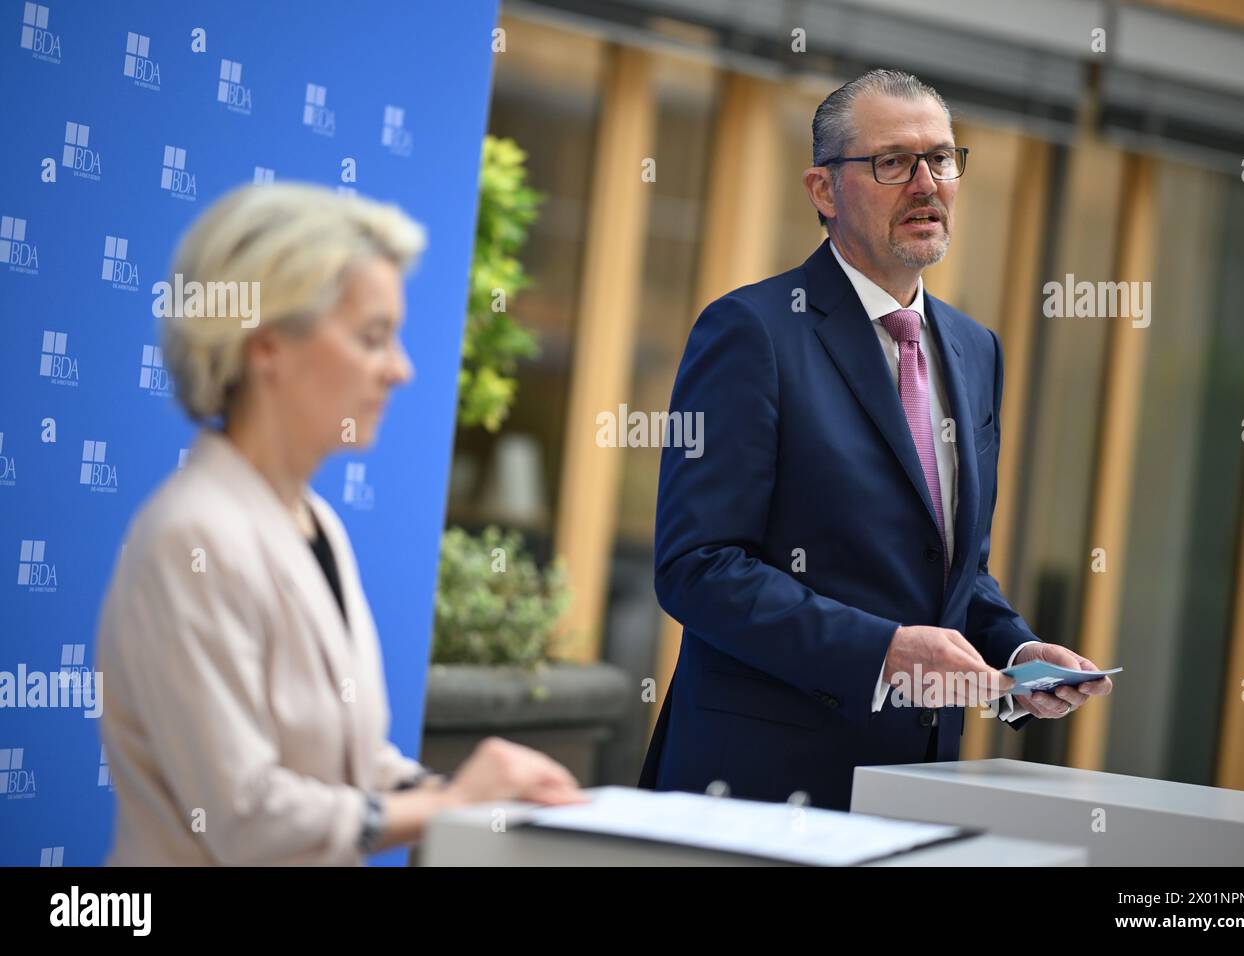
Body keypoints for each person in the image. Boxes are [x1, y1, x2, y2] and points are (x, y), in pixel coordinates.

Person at [640, 69, 1112, 811]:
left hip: (918, 782)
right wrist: (883, 653)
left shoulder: (974, 348)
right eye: (893, 162)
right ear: (823, 191)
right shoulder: (752, 332)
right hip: (759, 786)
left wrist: (1015, 653)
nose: (926, 183)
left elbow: (951, 570)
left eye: (943, 158)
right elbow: (697, 569)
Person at [96, 182, 583, 866]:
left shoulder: (314, 521)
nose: (401, 369)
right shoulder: (191, 537)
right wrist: (446, 806)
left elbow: (343, 763)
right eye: (372, 337)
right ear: (265, 343)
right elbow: (247, 816)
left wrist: (465, 791)